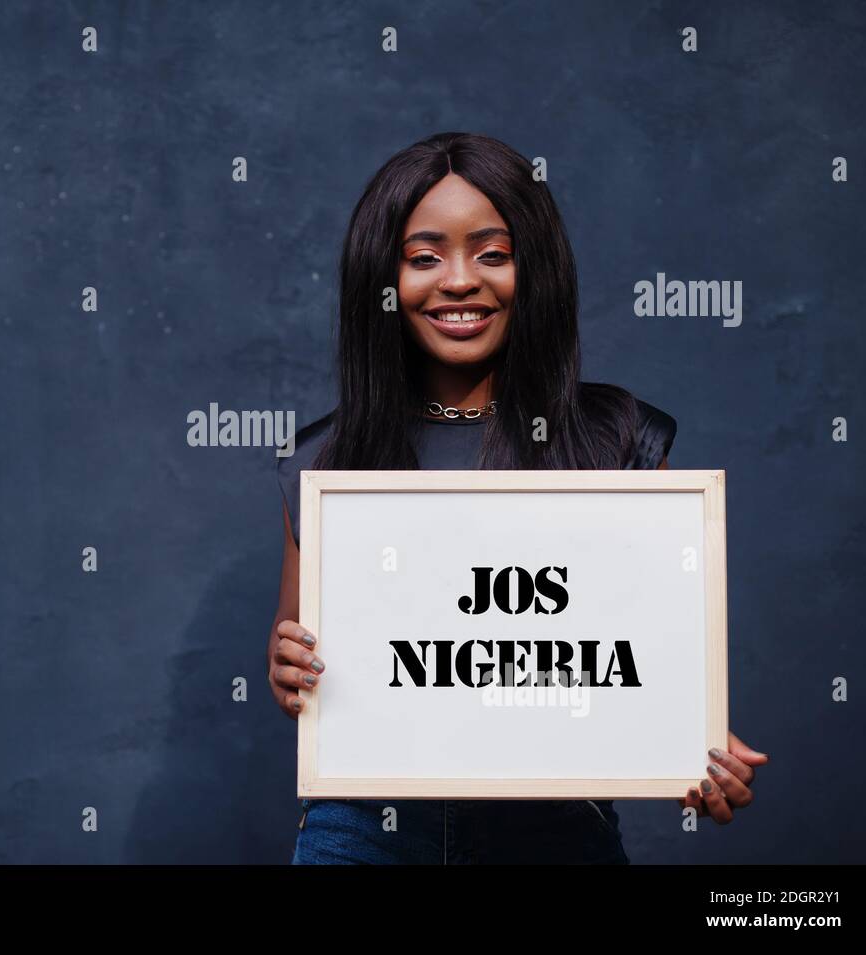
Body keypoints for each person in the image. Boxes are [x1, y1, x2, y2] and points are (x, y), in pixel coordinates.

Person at [269, 132, 768, 864]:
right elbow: (297, 645)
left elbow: (655, 656)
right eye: (425, 256)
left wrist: (691, 737)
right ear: (383, 277)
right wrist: (288, 668)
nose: (460, 280)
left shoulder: (617, 438)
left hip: (553, 831)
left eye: (493, 254)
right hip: (365, 831)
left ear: (535, 272)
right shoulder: (326, 458)